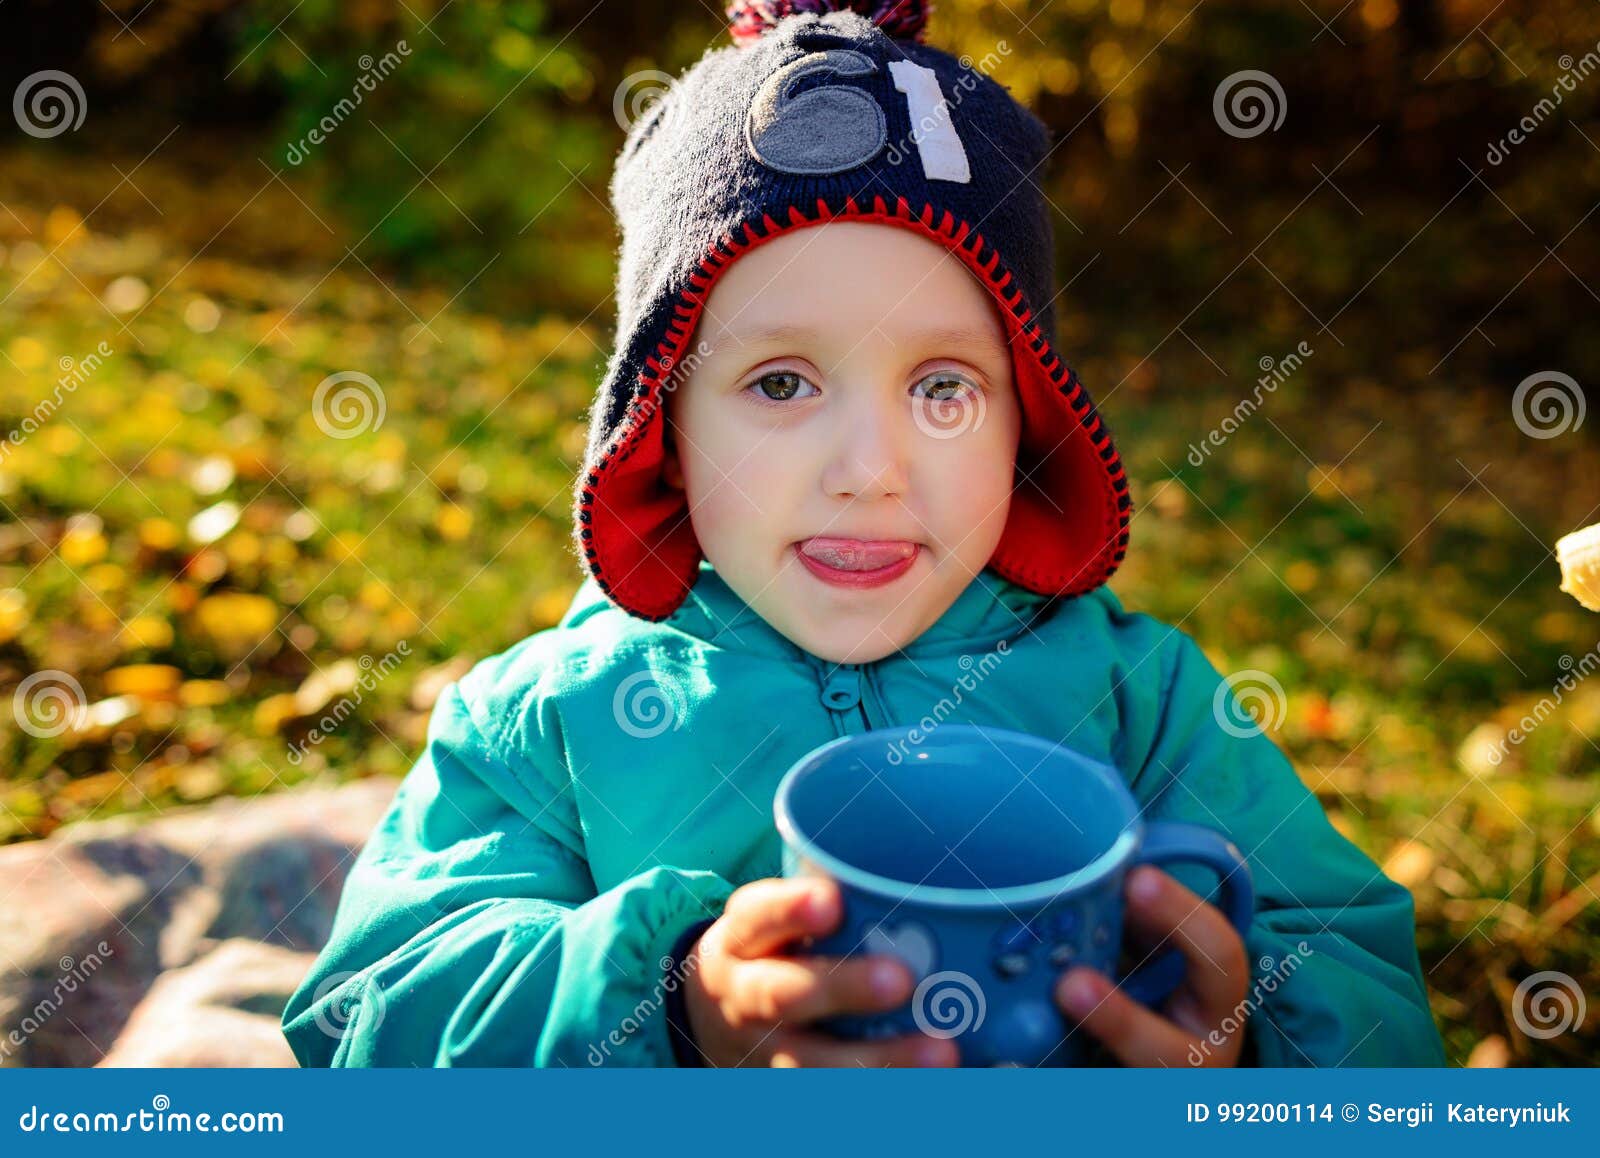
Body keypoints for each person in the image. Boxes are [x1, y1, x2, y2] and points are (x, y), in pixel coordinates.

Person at [282, 0, 1445, 1068]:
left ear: (1029, 422)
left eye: (944, 389)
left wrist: (1240, 1047)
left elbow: (1362, 976)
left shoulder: (1145, 704)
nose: (871, 472)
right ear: (661, 431)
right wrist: (677, 1014)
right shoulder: (547, 724)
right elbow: (372, 1015)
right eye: (781, 384)